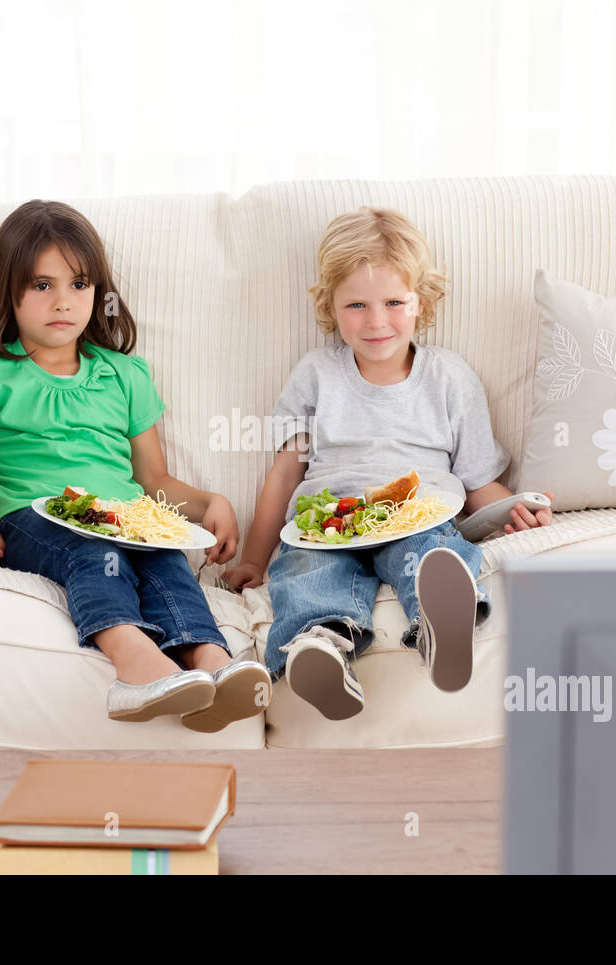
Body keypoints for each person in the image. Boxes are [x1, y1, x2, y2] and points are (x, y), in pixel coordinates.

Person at [0, 200, 270, 730]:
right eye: (42, 285)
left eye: (79, 284)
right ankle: (135, 666)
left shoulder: (124, 375)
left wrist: (212, 502)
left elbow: (153, 480)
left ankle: (208, 661)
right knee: (93, 552)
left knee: (163, 560)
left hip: (126, 515)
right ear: (10, 291)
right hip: (37, 519)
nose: (63, 301)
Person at [223, 206, 553, 720]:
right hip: (328, 522)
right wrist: (253, 558)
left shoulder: (448, 378)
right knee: (307, 571)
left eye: (393, 302)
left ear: (420, 303)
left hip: (417, 512)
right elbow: (286, 473)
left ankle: (442, 629)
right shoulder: (316, 374)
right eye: (356, 304)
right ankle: (322, 646)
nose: (376, 321)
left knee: (431, 553)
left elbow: (477, 480)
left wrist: (514, 513)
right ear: (331, 307)